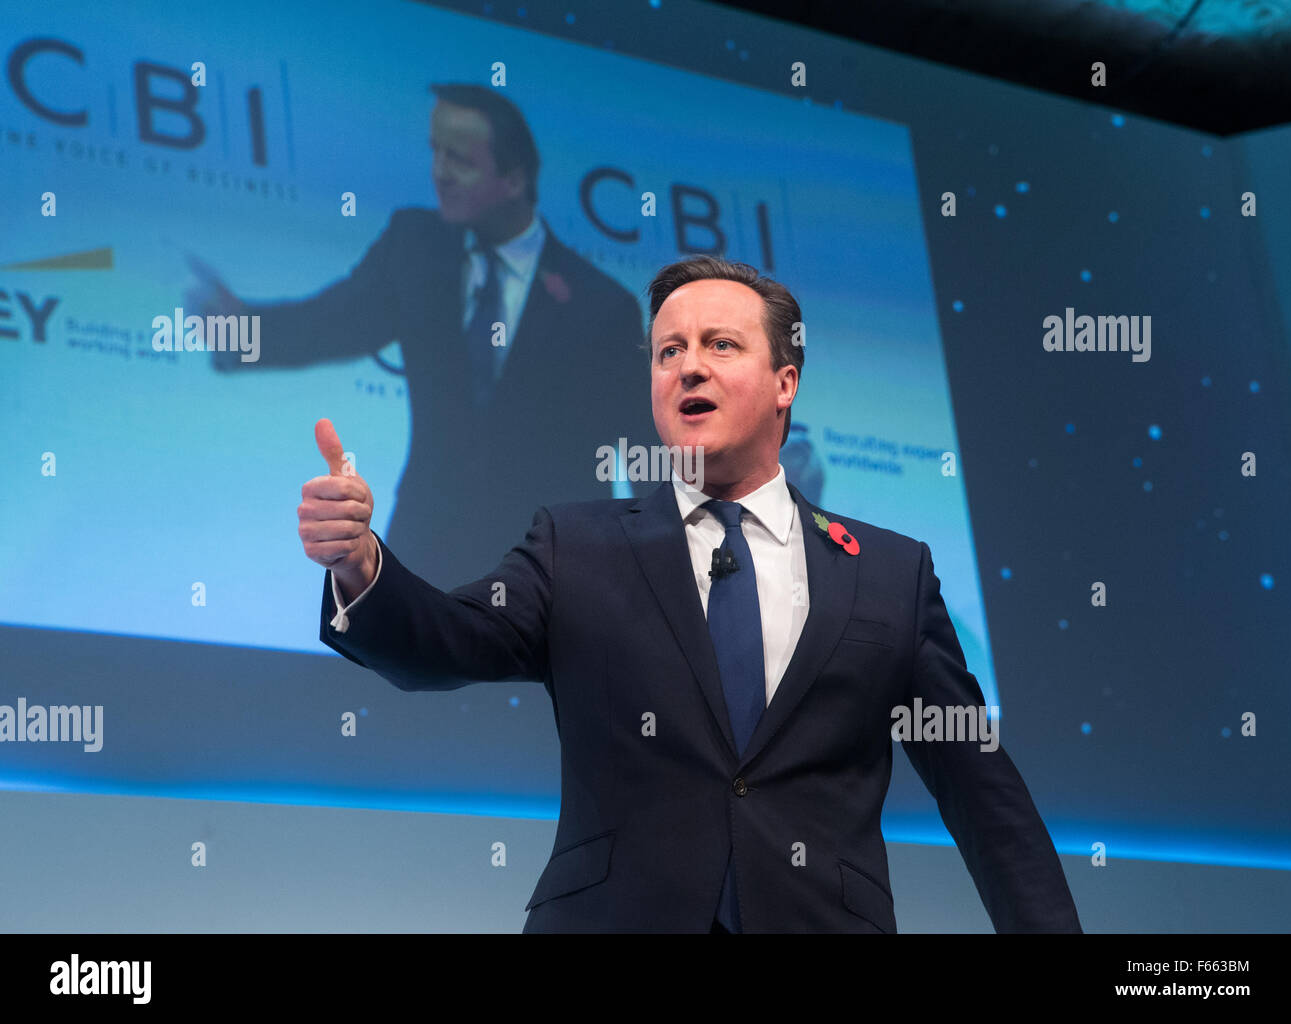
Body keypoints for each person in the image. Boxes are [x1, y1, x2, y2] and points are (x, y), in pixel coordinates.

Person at [298, 254, 1083, 934]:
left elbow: (986, 799)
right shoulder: (578, 546)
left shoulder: (889, 574)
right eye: (669, 350)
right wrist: (363, 563)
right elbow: (447, 638)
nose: (688, 366)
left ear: (785, 383)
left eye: (720, 345)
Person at [188, 83, 656, 586]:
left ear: (515, 178)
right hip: (426, 561)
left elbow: (642, 458)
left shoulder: (599, 305)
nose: (439, 173)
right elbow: (332, 321)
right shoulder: (416, 247)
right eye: (436, 152)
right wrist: (233, 328)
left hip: (548, 580)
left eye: (460, 160)